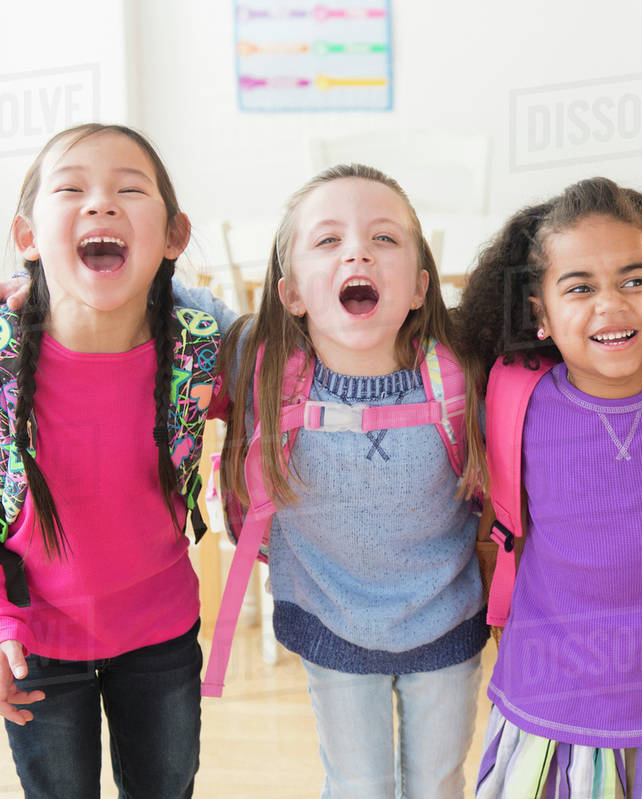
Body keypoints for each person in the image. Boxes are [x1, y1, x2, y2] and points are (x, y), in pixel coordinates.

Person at [457, 176, 642, 797]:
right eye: (579, 287)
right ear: (540, 312)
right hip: (551, 702)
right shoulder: (513, 398)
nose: (611, 305)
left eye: (634, 280)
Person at [218, 163, 488, 799]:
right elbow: (161, 313)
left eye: (385, 239)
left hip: (447, 619)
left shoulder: (464, 372)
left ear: (422, 287)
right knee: (358, 785)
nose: (359, 250)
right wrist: (35, 285)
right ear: (291, 294)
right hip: (329, 619)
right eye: (328, 240)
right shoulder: (256, 364)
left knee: (438, 783)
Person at [0, 123, 236, 798]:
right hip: (32, 637)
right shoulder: (4, 360)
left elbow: (281, 382)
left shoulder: (197, 352)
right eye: (71, 189)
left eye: (129, 190)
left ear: (173, 237)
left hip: (160, 634)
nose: (101, 204)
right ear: (28, 239)